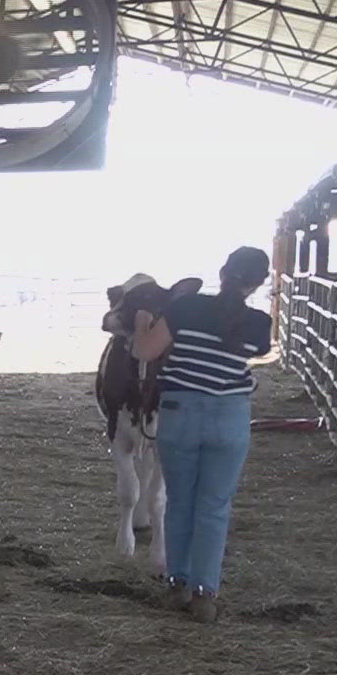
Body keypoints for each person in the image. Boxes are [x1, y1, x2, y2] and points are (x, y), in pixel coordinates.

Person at [132, 245, 273, 623]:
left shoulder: (185, 308)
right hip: (229, 417)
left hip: (179, 414)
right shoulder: (259, 324)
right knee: (213, 507)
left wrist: (142, 319)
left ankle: (177, 581)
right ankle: (205, 594)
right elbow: (257, 352)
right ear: (259, 283)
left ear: (223, 271)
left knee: (180, 502)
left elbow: (145, 351)